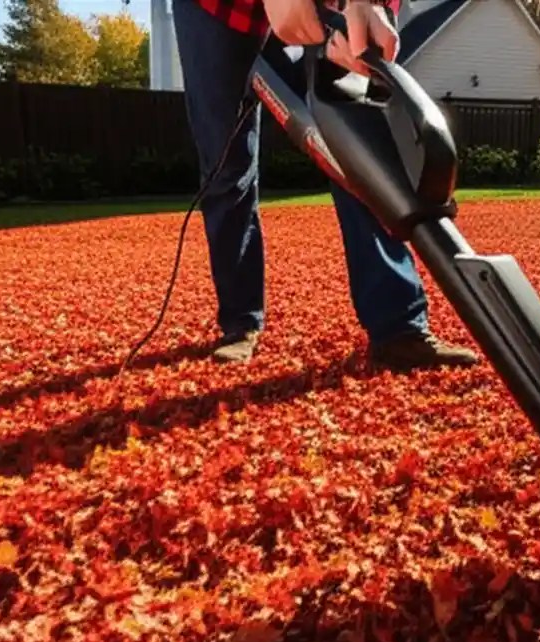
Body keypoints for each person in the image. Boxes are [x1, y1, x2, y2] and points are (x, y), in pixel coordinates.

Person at [173, 0, 479, 370]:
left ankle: (399, 328)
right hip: (214, 10)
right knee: (225, 169)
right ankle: (240, 322)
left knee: (358, 144)